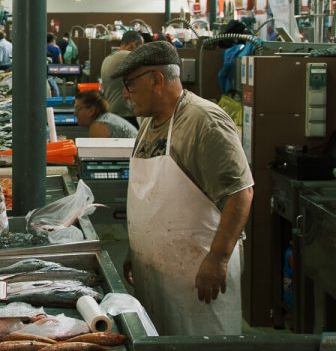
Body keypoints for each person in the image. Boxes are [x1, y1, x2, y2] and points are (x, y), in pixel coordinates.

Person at [114, 41, 253, 335]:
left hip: (197, 274)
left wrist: (218, 258)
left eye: (130, 84)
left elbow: (241, 194)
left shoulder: (203, 121)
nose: (126, 94)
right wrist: (135, 248)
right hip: (158, 273)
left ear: (157, 79)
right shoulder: (148, 124)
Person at [101, 30, 144, 128]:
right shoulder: (126, 56)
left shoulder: (108, 58)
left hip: (111, 113)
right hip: (124, 115)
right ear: (133, 45)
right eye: (141, 48)